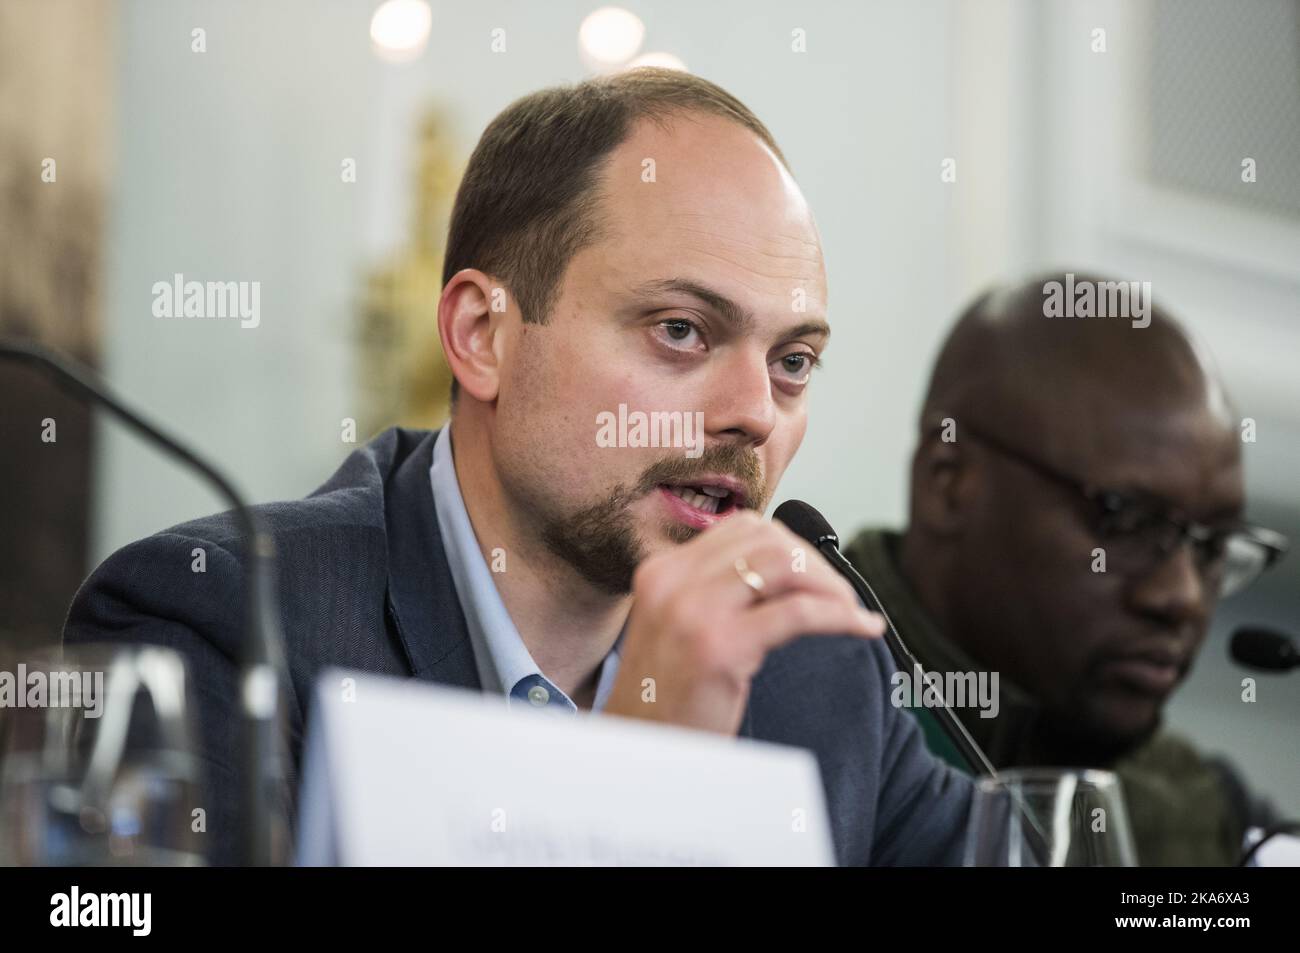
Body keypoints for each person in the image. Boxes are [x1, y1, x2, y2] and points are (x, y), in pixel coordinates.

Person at [65, 69, 973, 866]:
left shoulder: (809, 673)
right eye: (681, 331)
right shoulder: (215, 624)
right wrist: (638, 791)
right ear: (481, 335)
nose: (753, 413)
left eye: (793, 362)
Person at [843, 274, 1287, 865]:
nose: (1180, 596)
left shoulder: (1200, 820)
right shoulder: (770, 702)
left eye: (1212, 546)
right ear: (948, 483)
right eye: (1123, 517)